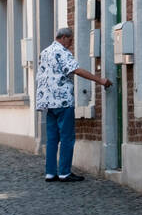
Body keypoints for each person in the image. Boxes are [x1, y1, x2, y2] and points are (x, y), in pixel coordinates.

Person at [35, 26, 111, 181]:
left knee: (52, 139)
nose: (70, 44)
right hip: (63, 101)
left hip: (49, 102)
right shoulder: (62, 52)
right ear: (63, 37)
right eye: (70, 40)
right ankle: (64, 172)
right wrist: (100, 80)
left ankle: (50, 173)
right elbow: (76, 70)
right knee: (67, 137)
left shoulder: (44, 52)